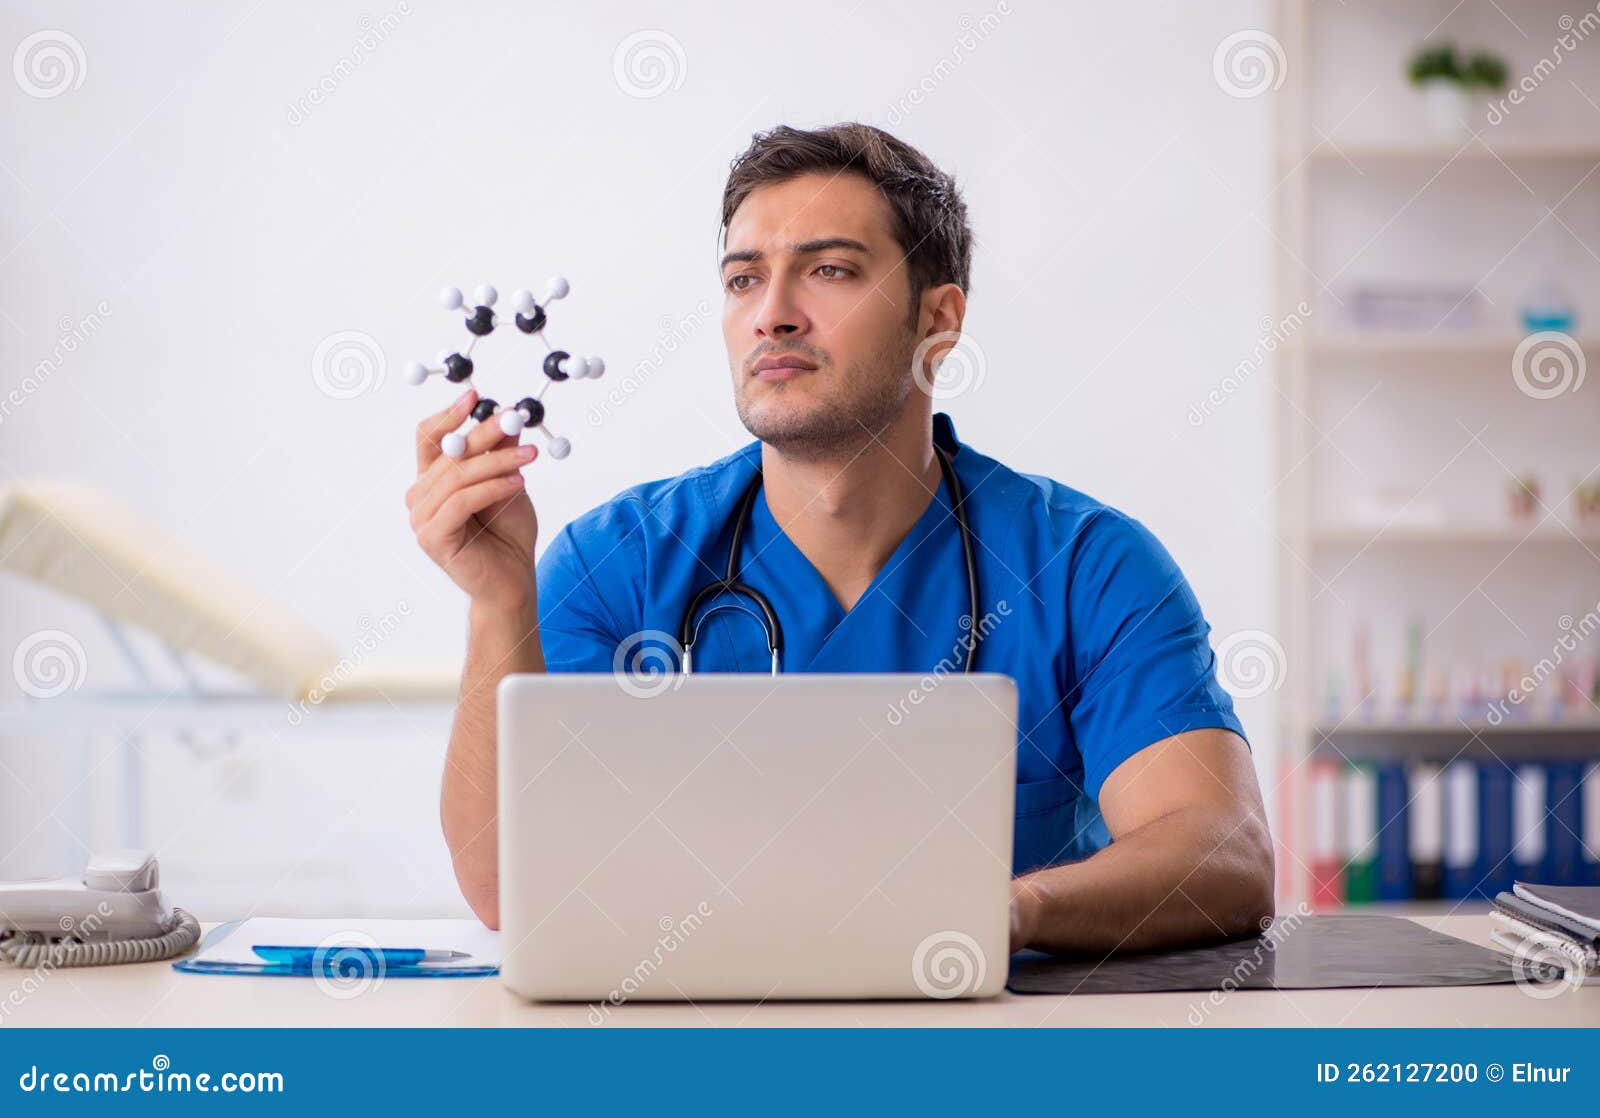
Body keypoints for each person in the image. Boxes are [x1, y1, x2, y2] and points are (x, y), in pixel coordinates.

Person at [406, 122, 1273, 954]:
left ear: (939, 318)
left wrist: (994, 912)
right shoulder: (617, 565)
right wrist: (498, 598)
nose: (772, 314)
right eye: (744, 279)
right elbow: (505, 886)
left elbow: (1224, 856)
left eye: (828, 270)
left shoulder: (1087, 566)